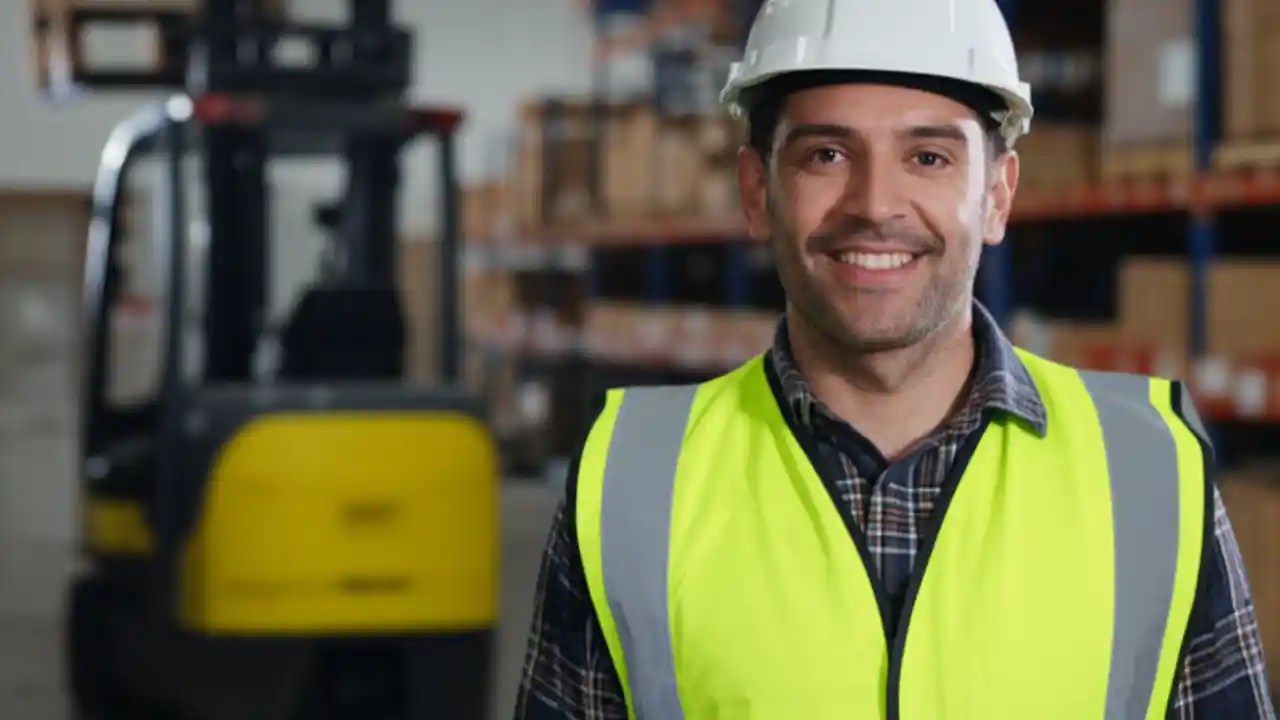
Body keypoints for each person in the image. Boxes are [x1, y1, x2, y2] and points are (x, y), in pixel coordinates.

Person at [513, 0, 1276, 717]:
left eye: (930, 157)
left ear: (998, 195)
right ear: (756, 191)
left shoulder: (1147, 469)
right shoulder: (631, 479)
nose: (876, 204)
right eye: (827, 153)